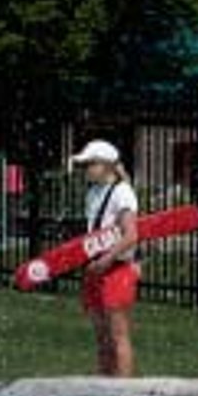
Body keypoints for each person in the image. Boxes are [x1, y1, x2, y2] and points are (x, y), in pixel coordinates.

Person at [71, 139, 140, 378]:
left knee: (118, 335)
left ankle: (123, 392)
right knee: (102, 336)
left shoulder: (122, 192)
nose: (86, 169)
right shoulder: (93, 193)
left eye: (91, 164)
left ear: (107, 166)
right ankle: (103, 386)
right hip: (97, 270)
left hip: (115, 269)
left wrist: (106, 260)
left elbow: (131, 235)